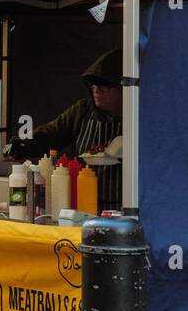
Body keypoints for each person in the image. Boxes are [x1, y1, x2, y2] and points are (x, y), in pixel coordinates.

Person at [7, 48, 124, 211]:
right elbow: (51, 133)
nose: (97, 91)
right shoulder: (82, 111)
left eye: (104, 87)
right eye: (94, 86)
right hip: (84, 206)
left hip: (126, 207)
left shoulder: (142, 116)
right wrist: (22, 145)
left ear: (125, 87)